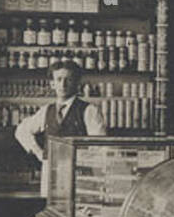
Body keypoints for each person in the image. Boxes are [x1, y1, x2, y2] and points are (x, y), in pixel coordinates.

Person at [14, 60, 106, 190]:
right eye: (59, 79)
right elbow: (21, 131)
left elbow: (100, 147)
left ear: (76, 83)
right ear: (52, 84)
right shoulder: (46, 110)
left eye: (68, 80)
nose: (63, 85)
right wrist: (39, 153)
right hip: (51, 174)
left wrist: (83, 162)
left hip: (78, 174)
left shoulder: (89, 110)